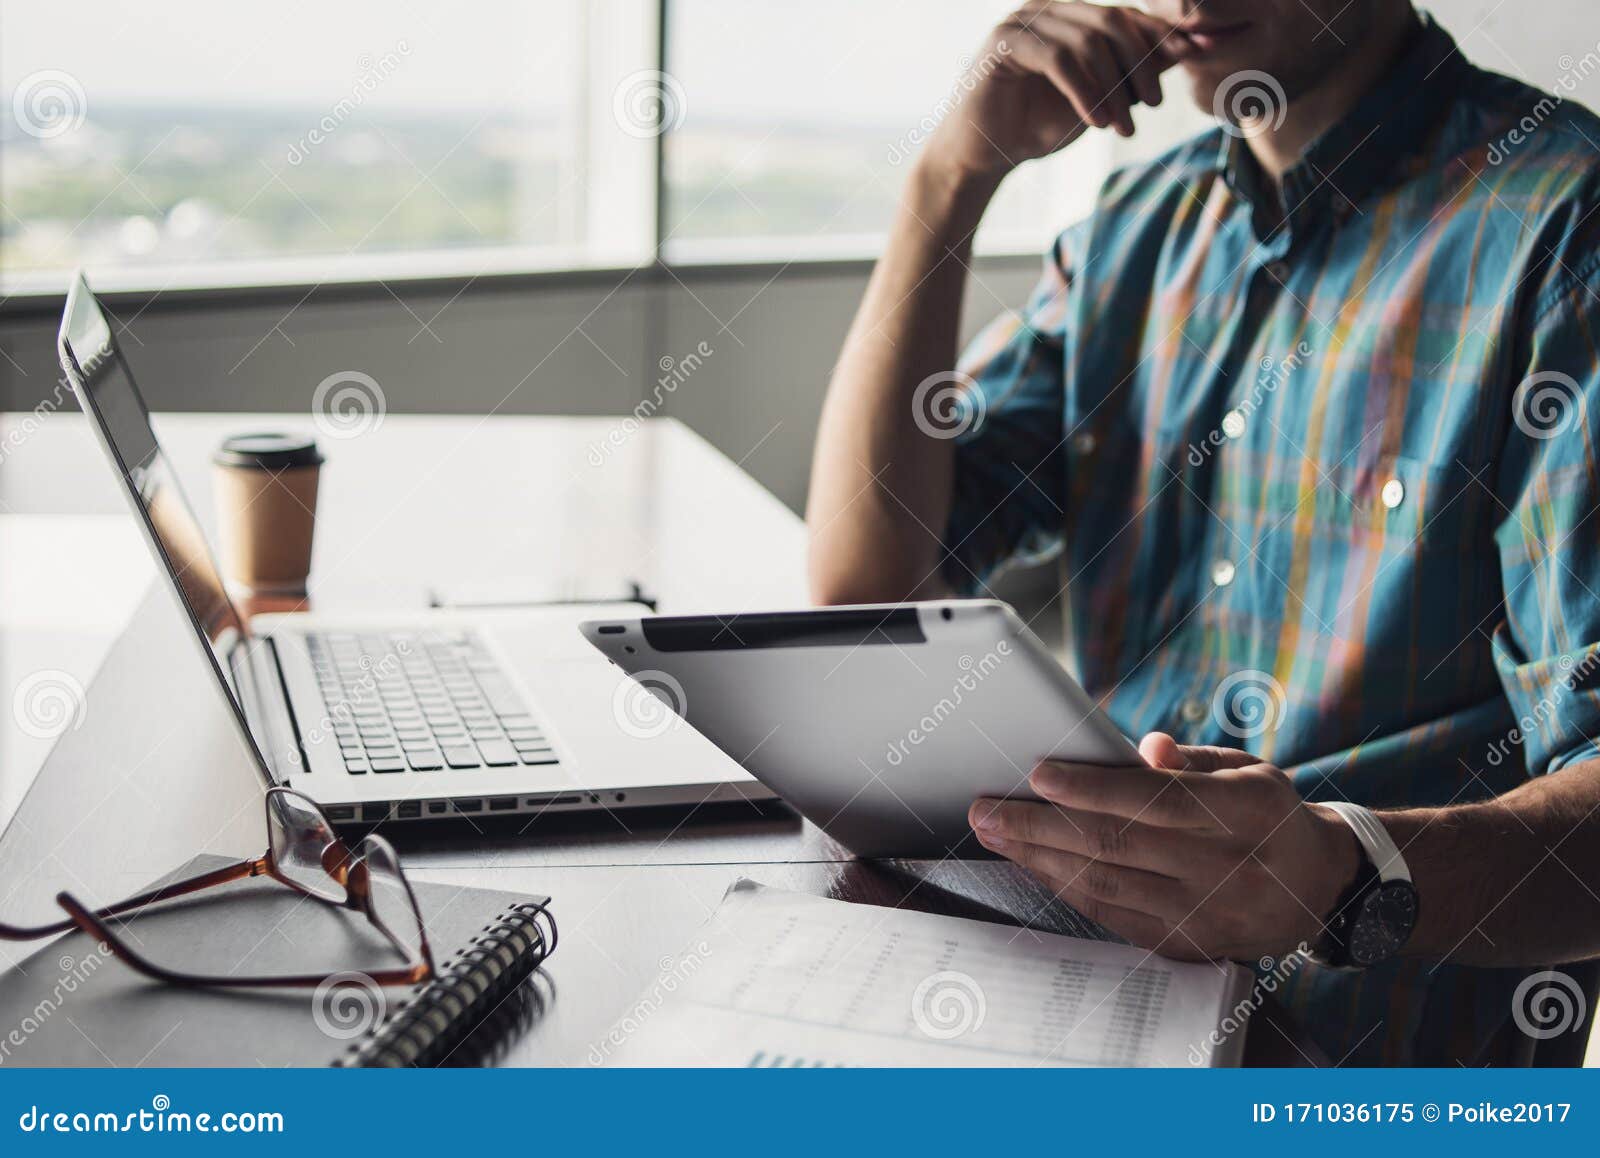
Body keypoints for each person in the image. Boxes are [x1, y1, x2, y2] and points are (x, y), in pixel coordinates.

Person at [806, 0, 1600, 1065]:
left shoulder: (1563, 230)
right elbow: (866, 592)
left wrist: (1341, 876)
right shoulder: (1137, 228)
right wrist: (948, 176)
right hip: (1062, 1007)